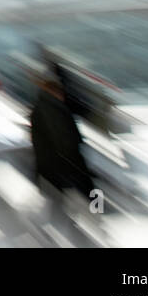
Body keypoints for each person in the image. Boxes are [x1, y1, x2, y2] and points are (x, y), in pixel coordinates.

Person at [30, 70, 96, 243]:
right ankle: (93, 219)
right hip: (61, 165)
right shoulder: (52, 110)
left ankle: (49, 232)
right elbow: (64, 139)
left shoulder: (44, 107)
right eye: (61, 93)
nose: (63, 97)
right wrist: (76, 164)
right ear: (55, 92)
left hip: (51, 166)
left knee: (57, 201)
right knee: (71, 197)